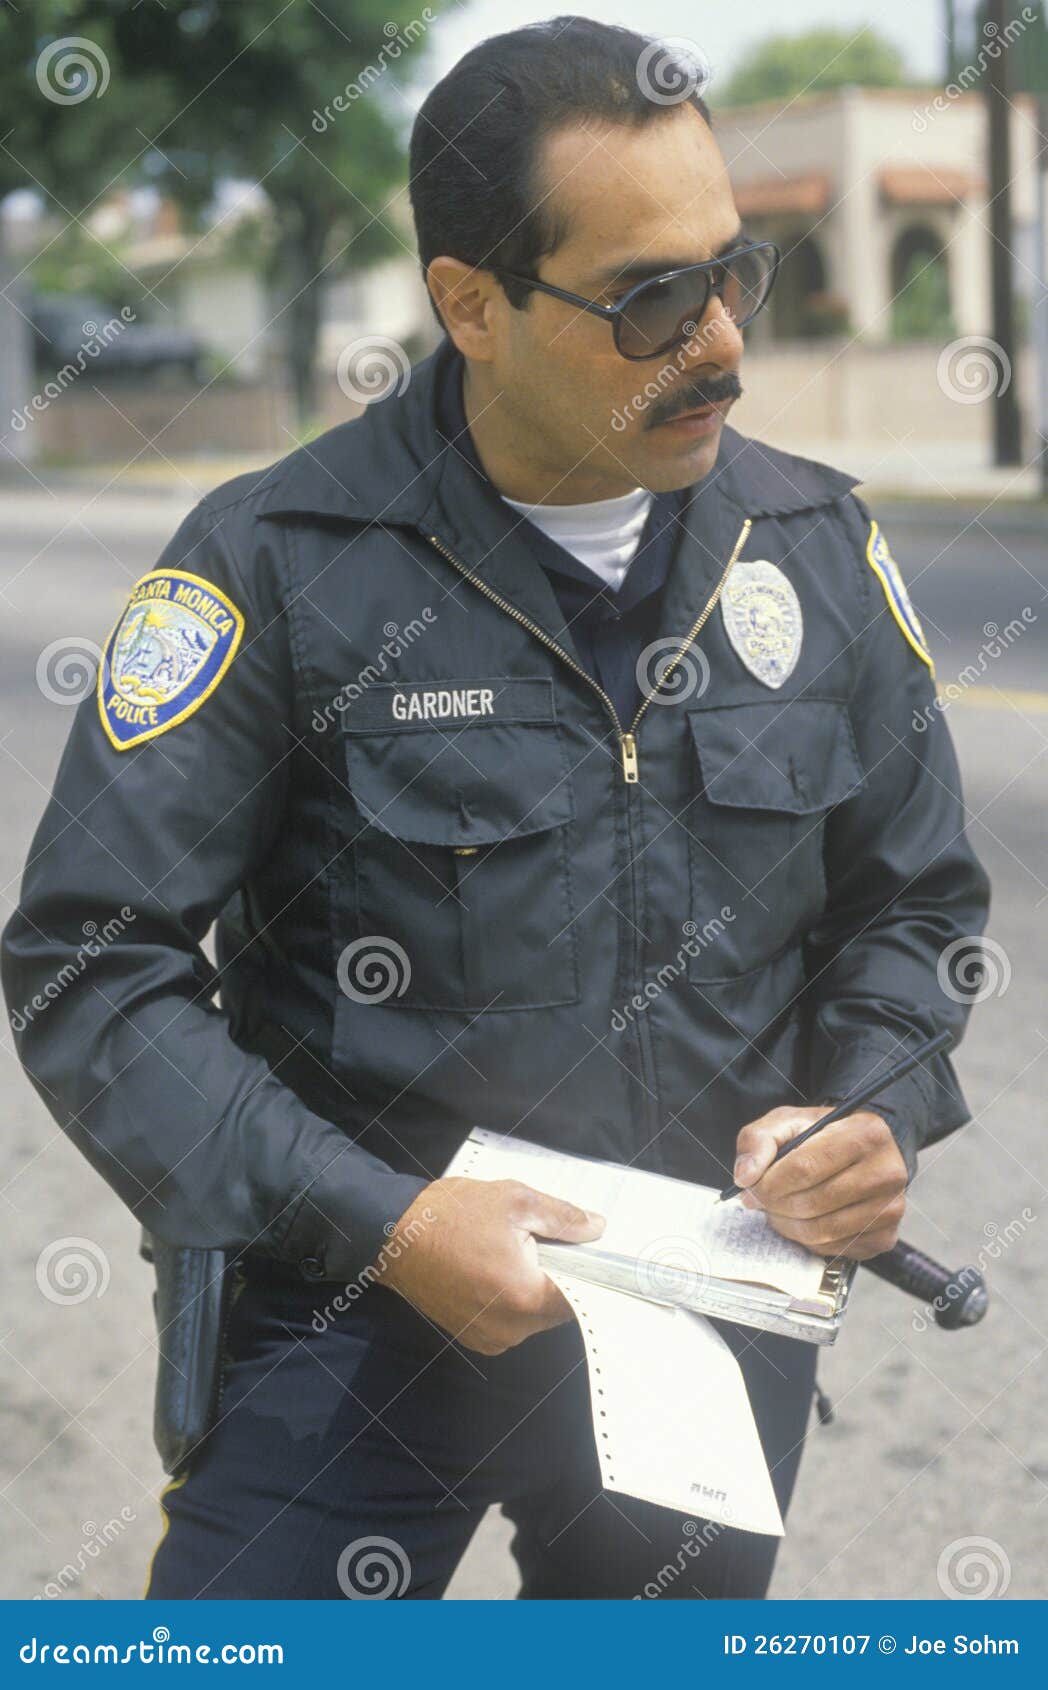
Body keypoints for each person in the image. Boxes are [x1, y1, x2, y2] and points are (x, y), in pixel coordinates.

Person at [2, 16, 990, 1600]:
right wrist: (384, 1221)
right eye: (652, 300)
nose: (723, 341)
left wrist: (867, 1100)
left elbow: (918, 910)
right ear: (469, 303)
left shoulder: (811, 550)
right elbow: (89, 966)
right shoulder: (280, 559)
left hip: (694, 1328)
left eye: (735, 273)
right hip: (341, 1320)